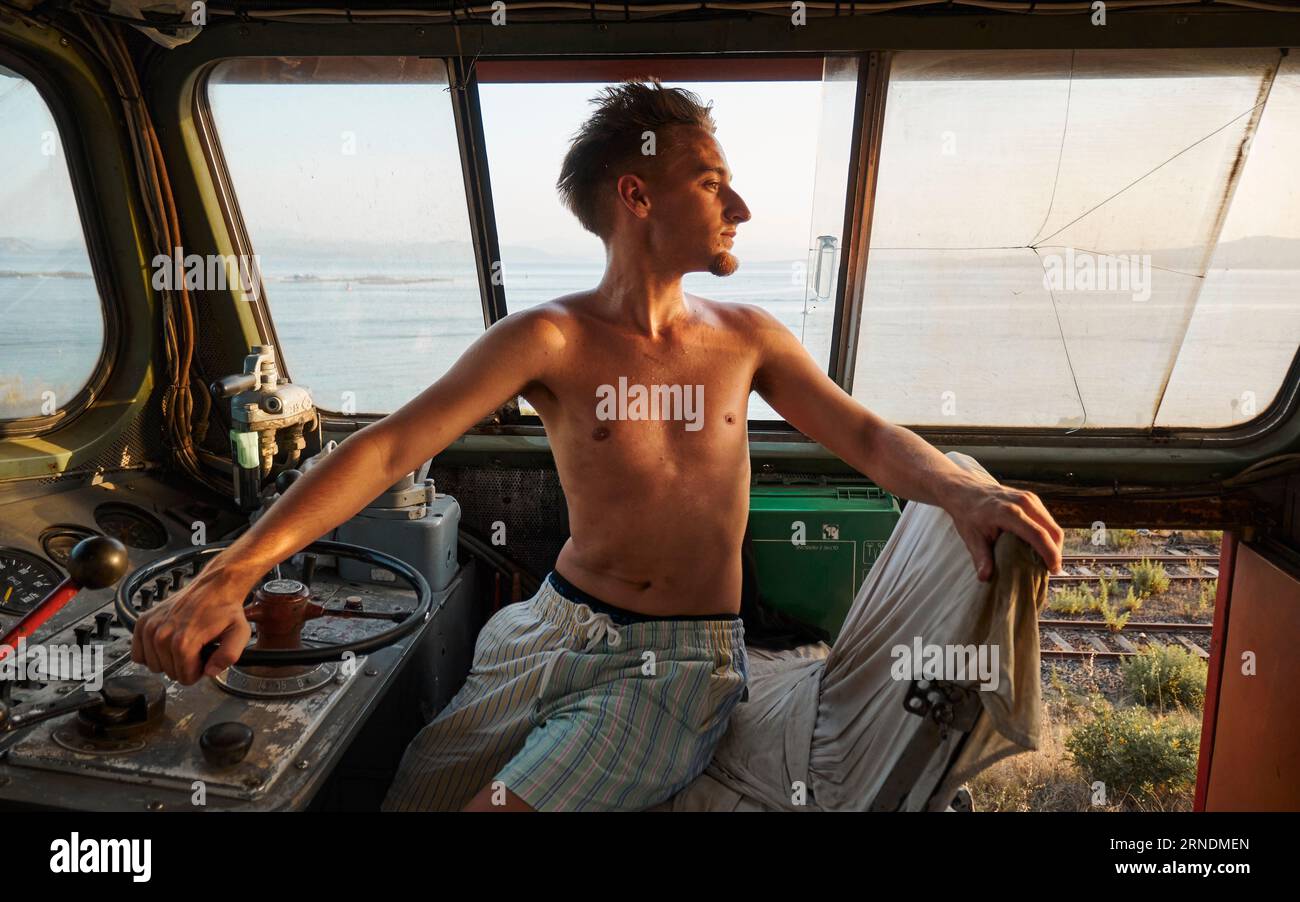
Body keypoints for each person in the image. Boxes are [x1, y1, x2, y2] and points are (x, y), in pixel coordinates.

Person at [132, 79, 1064, 811]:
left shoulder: (748, 338)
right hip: (549, 626)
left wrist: (959, 492)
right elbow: (387, 448)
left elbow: (861, 431)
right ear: (637, 194)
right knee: (410, 793)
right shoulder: (549, 339)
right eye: (711, 180)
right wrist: (231, 572)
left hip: (679, 660)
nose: (738, 201)